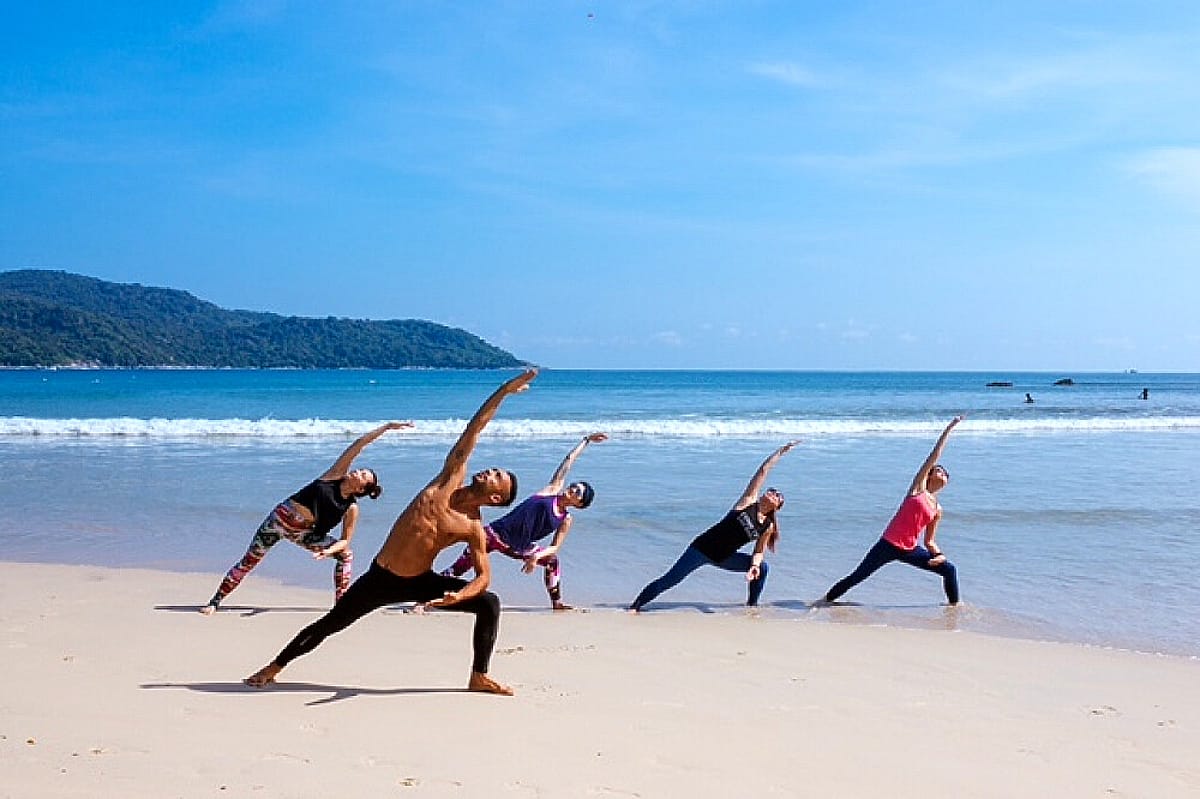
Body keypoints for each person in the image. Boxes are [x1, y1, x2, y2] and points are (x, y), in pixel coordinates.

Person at [243, 369, 538, 695]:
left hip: (421, 581)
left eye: (497, 475)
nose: (491, 470)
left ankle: (479, 676)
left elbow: (484, 576)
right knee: (331, 624)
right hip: (380, 578)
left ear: (496, 497)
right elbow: (477, 425)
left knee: (489, 603)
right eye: (495, 469)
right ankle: (274, 667)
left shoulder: (472, 527)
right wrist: (504, 391)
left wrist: (462, 595)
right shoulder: (450, 477)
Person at [200, 421, 413, 615]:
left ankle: (341, 605)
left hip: (303, 534)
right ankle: (215, 602)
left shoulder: (351, 508)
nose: (357, 471)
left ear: (361, 488)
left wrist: (328, 551)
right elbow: (358, 445)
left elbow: (345, 541)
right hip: (277, 521)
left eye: (362, 475)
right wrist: (386, 428)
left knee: (346, 555)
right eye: (360, 469)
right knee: (248, 562)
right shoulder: (334, 475)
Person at [442, 432, 608, 610]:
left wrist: (536, 556)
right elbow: (568, 460)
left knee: (552, 561)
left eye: (578, 493)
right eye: (575, 486)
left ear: (579, 503)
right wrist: (586, 441)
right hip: (494, 534)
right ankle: (426, 596)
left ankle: (557, 603)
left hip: (519, 547)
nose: (573, 490)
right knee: (460, 566)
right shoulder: (551, 490)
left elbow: (554, 547)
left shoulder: (566, 519)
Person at [629, 441, 799, 613]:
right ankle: (635, 606)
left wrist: (754, 566)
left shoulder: (767, 526)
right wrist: (780, 452)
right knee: (669, 580)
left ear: (776, 507)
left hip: (724, 557)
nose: (773, 493)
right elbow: (763, 471)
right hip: (701, 549)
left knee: (763, 568)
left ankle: (751, 607)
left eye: (778, 496)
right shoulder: (748, 502)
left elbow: (759, 551)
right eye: (772, 491)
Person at [822, 416, 963, 606]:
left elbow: (929, 541)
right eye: (939, 471)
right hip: (887, 545)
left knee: (949, 570)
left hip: (910, 550)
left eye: (946, 474)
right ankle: (825, 601)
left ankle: (954, 608)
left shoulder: (937, 509)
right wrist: (950, 428)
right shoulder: (918, 489)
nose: (943, 474)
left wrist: (939, 555)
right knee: (857, 576)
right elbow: (934, 456)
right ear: (929, 475)